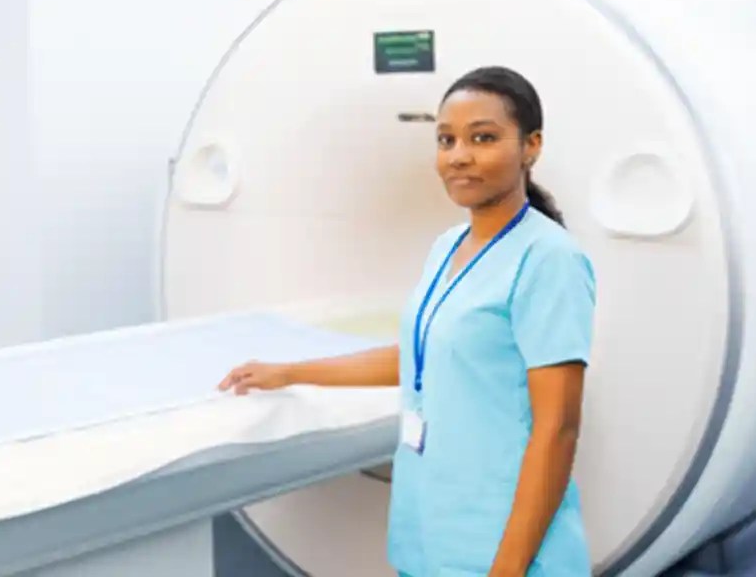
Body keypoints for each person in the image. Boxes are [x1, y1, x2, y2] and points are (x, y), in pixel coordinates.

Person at [218, 65, 595, 577]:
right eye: (446, 140)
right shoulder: (447, 246)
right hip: (428, 530)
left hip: (505, 546)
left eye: (482, 138)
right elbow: (420, 358)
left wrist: (505, 571)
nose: (458, 155)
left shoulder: (550, 260)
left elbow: (558, 428)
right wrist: (292, 372)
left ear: (531, 146)